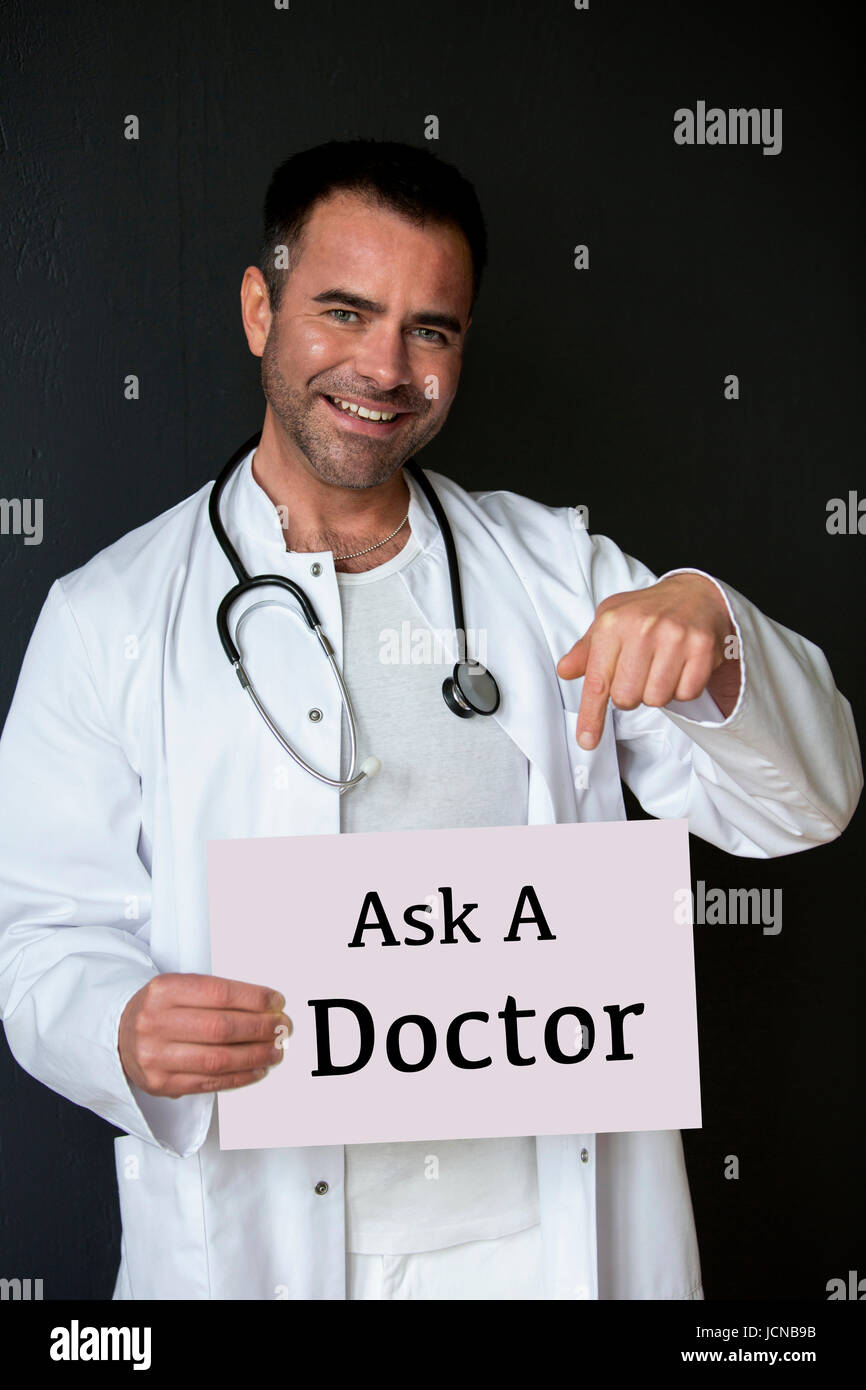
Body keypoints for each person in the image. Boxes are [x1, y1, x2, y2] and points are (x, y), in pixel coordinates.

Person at [0, 139, 860, 1301]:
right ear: (260, 308)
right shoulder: (106, 616)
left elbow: (802, 808)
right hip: (263, 1237)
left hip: (545, 1246)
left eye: (430, 330)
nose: (384, 366)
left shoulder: (558, 571)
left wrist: (709, 629)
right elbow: (37, 933)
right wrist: (119, 1027)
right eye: (343, 312)